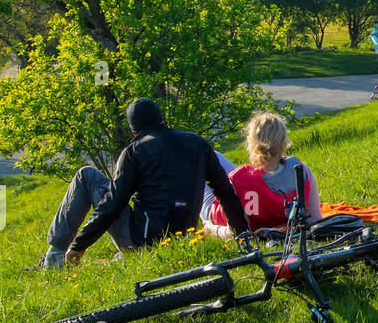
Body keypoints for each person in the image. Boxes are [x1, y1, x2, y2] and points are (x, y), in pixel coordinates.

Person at [43, 98, 249, 267]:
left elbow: (112, 205)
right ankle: (64, 257)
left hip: (142, 240)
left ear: (134, 131)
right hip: (184, 237)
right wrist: (243, 237)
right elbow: (225, 192)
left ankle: (55, 256)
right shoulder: (198, 144)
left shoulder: (134, 152)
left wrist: (78, 247)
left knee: (86, 175)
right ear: (162, 119)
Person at [205, 112, 321, 233]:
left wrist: (211, 229)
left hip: (218, 213)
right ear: (284, 144)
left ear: (251, 145)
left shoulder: (238, 178)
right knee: (210, 155)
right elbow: (314, 220)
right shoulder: (301, 171)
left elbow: (236, 231)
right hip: (246, 187)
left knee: (203, 156)